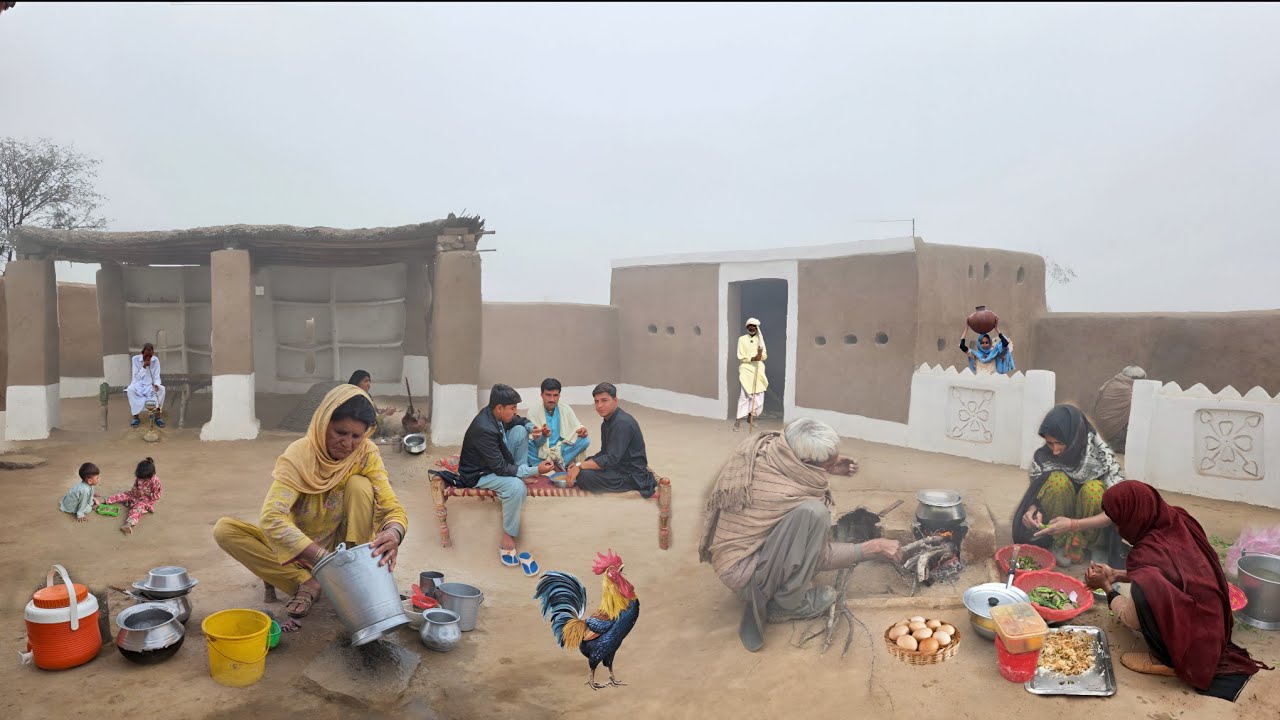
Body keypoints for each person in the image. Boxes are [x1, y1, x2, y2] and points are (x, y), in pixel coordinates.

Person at [700, 418, 902, 652]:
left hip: (742, 556)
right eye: (828, 464)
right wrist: (871, 547)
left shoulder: (772, 448)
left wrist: (829, 464)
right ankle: (787, 604)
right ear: (806, 462)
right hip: (745, 573)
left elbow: (805, 476)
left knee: (810, 516)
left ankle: (779, 590)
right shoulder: (780, 492)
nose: (831, 467)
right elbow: (819, 557)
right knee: (814, 514)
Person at [213, 385, 407, 621]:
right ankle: (306, 581)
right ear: (323, 424)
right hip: (300, 549)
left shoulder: (366, 453)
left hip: (343, 551)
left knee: (360, 485)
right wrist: (322, 560)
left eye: (356, 436)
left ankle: (355, 574)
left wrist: (394, 533)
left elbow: (390, 505)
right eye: (340, 432)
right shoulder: (300, 454)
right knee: (224, 530)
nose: (347, 444)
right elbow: (272, 517)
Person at [1063, 481, 1269, 700]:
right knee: (1148, 581)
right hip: (1214, 621)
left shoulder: (1146, 553)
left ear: (1133, 517)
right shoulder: (1178, 518)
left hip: (1194, 642)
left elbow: (1133, 617)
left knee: (1144, 593)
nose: (1116, 529)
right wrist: (1115, 573)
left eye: (1117, 522)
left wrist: (1107, 588)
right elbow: (1169, 571)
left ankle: (1165, 660)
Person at [458, 384, 554, 576]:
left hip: (495, 464)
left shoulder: (495, 413)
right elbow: (500, 468)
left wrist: (531, 428)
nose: (515, 411)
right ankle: (508, 537)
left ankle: (521, 472)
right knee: (516, 487)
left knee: (519, 430)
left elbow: (519, 420)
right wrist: (536, 469)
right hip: (479, 474)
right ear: (499, 408)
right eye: (512, 408)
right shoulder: (484, 429)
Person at [1013, 404, 1124, 566]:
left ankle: (1095, 546)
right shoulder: (1044, 457)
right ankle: (1061, 542)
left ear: (1075, 438)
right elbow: (1037, 495)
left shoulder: (1103, 458)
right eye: (1050, 443)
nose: (1055, 451)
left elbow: (1116, 513)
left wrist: (1073, 525)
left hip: (1092, 524)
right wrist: (1032, 511)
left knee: (1093, 490)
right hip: (1059, 524)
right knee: (1057, 481)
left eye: (1059, 443)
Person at [565, 383, 656, 498]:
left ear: (615, 400)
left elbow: (611, 459)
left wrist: (580, 466)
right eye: (596, 401)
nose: (599, 405)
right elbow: (605, 453)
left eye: (604, 400)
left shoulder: (622, 423)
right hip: (618, 465)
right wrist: (580, 464)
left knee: (584, 476)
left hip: (631, 475)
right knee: (587, 462)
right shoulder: (608, 421)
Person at [525, 378, 590, 470]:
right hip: (542, 450)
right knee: (525, 442)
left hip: (560, 448)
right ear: (542, 395)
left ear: (559, 396)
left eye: (555, 395)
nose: (552, 399)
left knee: (585, 440)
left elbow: (577, 428)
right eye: (548, 395)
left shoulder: (565, 408)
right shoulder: (533, 412)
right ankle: (559, 464)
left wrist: (583, 431)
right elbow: (537, 443)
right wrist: (543, 435)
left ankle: (553, 464)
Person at [104, 457, 162, 535]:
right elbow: (134, 487)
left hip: (145, 500)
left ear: (151, 475)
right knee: (123, 495)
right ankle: (104, 500)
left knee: (138, 508)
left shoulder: (156, 482)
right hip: (134, 495)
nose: (141, 480)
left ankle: (128, 524)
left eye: (144, 479)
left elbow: (157, 496)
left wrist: (144, 493)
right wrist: (136, 491)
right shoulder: (140, 476)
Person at [733, 319, 767, 431]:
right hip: (746, 369)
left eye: (754, 326)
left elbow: (764, 356)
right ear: (747, 327)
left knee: (759, 396)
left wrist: (760, 355)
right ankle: (737, 421)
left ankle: (750, 417)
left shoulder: (760, 340)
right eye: (750, 326)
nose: (752, 328)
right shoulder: (741, 339)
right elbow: (740, 355)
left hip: (758, 369)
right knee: (744, 395)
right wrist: (752, 358)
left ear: (757, 328)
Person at [348, 370, 398, 438]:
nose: (369, 384)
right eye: (365, 381)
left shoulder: (366, 395)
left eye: (369, 381)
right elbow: (372, 423)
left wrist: (382, 411)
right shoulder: (357, 399)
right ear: (357, 382)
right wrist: (386, 413)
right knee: (391, 430)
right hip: (361, 433)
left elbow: (373, 410)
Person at [126, 343, 166, 428]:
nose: (148, 357)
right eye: (146, 355)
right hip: (139, 385)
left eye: (150, 356)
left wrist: (157, 385)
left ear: (153, 354)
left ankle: (157, 417)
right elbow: (136, 378)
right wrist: (144, 366)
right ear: (142, 353)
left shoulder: (155, 360)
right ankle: (136, 417)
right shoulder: (135, 359)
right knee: (130, 389)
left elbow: (157, 376)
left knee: (162, 389)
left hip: (151, 386)